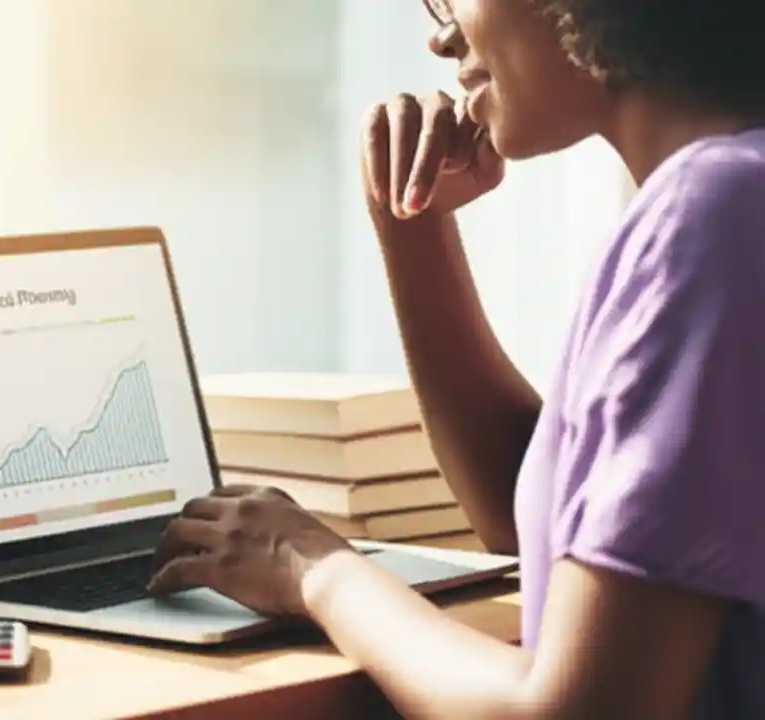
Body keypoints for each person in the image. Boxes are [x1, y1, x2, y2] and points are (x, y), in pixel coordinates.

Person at [146, 1, 765, 717]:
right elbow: (545, 523)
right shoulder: (730, 193)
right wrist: (412, 223)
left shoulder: (713, 213)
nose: (442, 35)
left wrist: (310, 568)